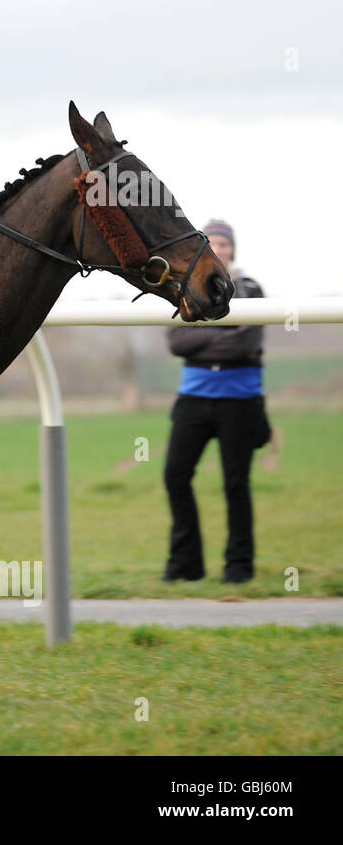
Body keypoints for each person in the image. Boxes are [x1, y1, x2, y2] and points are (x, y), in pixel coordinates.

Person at [162, 220, 272, 583]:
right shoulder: (186, 286)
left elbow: (245, 344)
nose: (219, 249)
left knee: (235, 485)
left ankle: (239, 567)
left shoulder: (251, 289)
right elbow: (176, 343)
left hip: (239, 402)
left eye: (224, 243)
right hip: (193, 398)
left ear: (232, 250)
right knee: (175, 477)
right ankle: (185, 567)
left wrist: (201, 334)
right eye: (213, 243)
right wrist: (222, 333)